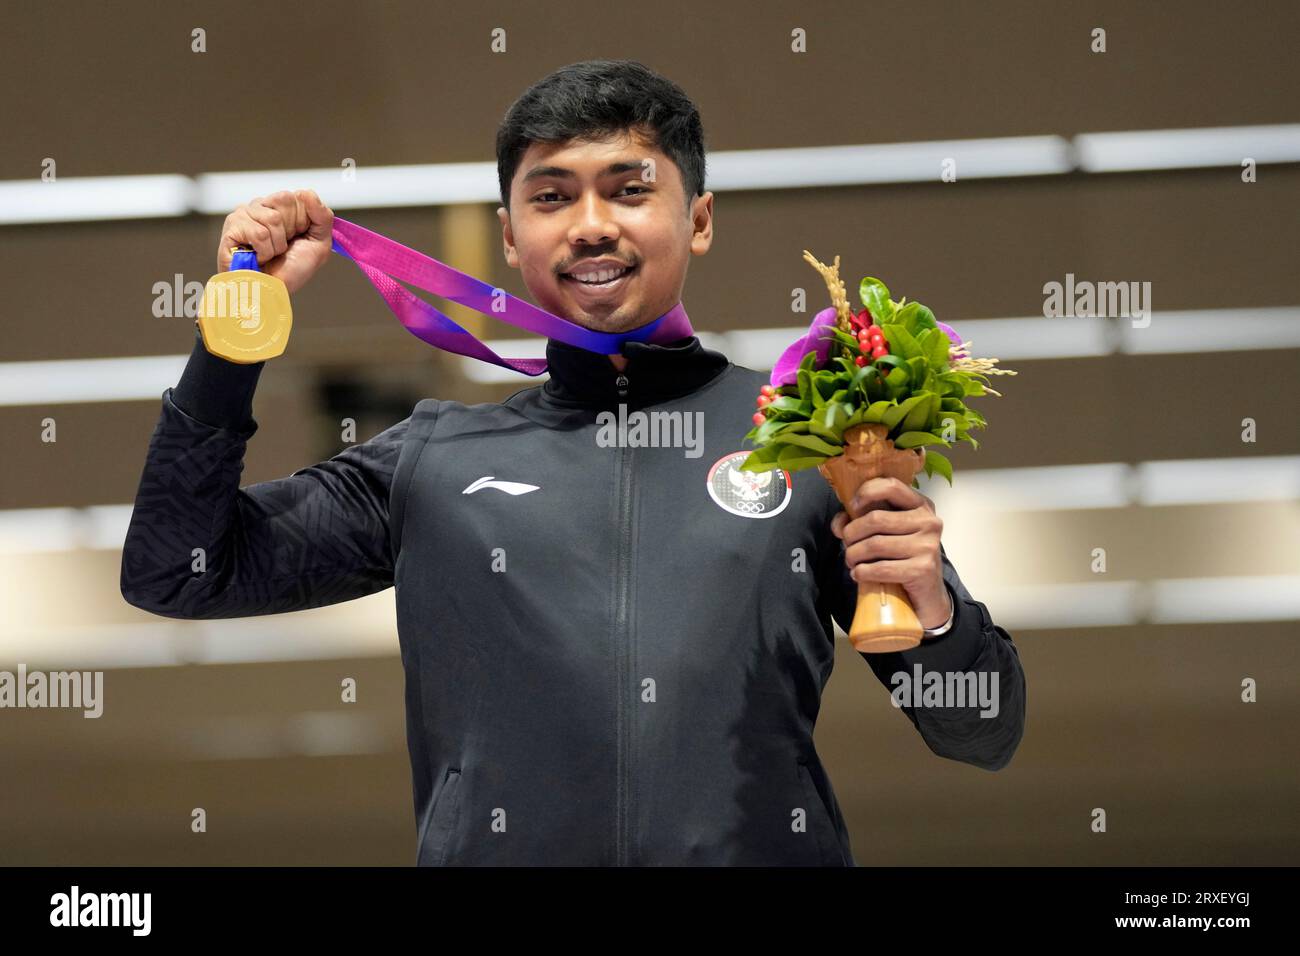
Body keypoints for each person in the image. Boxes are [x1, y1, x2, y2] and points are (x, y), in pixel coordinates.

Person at [121, 59, 1025, 866]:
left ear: (699, 219)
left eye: (629, 190)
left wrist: (938, 617)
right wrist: (233, 337)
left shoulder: (808, 437)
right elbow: (178, 572)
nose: (590, 226)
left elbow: (983, 731)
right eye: (551, 198)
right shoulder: (433, 462)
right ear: (511, 237)